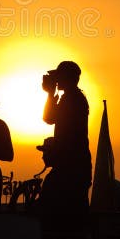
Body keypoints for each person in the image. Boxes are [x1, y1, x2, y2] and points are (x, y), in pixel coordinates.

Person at [38, 61, 92, 212]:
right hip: (73, 166)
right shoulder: (71, 98)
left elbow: (48, 118)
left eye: (59, 77)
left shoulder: (72, 99)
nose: (56, 80)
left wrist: (50, 94)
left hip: (71, 167)